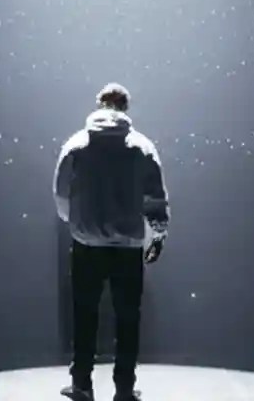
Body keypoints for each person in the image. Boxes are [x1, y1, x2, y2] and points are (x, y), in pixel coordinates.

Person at [54, 83, 170, 401]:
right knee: (127, 318)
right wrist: (157, 235)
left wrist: (74, 222)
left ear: (99, 104)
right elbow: (155, 197)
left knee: (84, 314)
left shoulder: (77, 144)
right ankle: (124, 388)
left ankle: (82, 384)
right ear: (126, 107)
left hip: (86, 241)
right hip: (129, 244)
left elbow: (62, 192)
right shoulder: (142, 147)